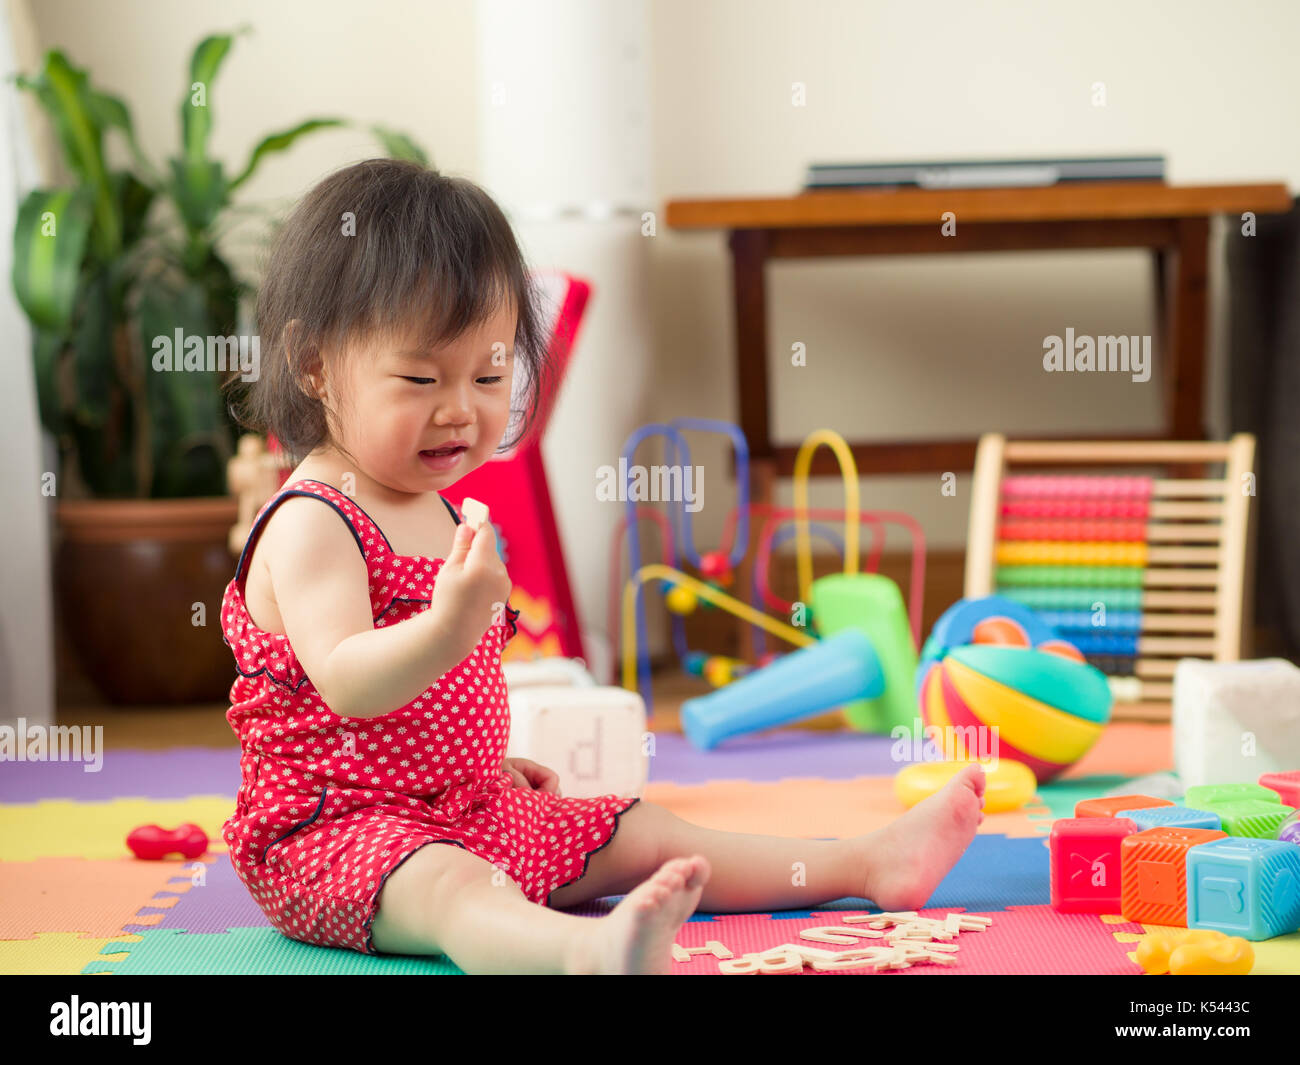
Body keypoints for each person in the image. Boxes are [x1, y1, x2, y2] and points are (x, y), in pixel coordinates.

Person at [219, 158, 985, 975]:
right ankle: (586, 952)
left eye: (488, 374)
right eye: (419, 378)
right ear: (312, 364)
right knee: (455, 888)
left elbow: (415, 712)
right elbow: (348, 680)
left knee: (641, 829)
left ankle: (866, 862)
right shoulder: (314, 519)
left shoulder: (436, 503)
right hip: (335, 837)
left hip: (465, 807)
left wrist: (480, 765)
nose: (460, 409)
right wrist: (451, 623)